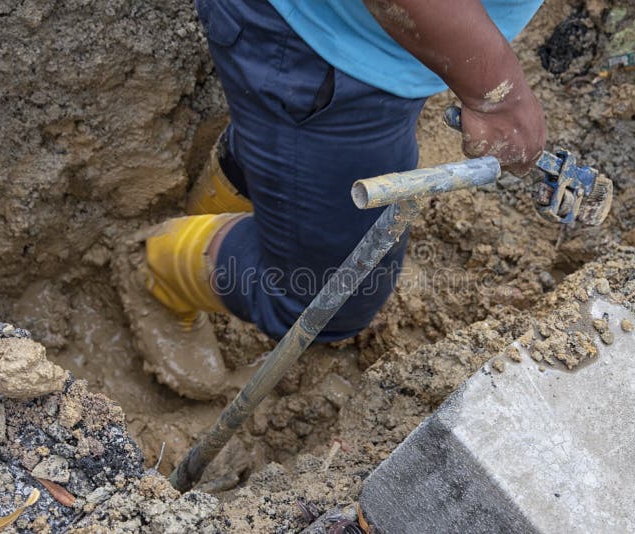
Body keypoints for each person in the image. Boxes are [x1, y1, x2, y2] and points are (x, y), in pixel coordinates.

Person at [115, 0, 547, 399]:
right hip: (318, 41)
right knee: (328, 295)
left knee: (289, 144)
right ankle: (153, 269)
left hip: (361, 45)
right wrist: (498, 95)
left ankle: (224, 211)